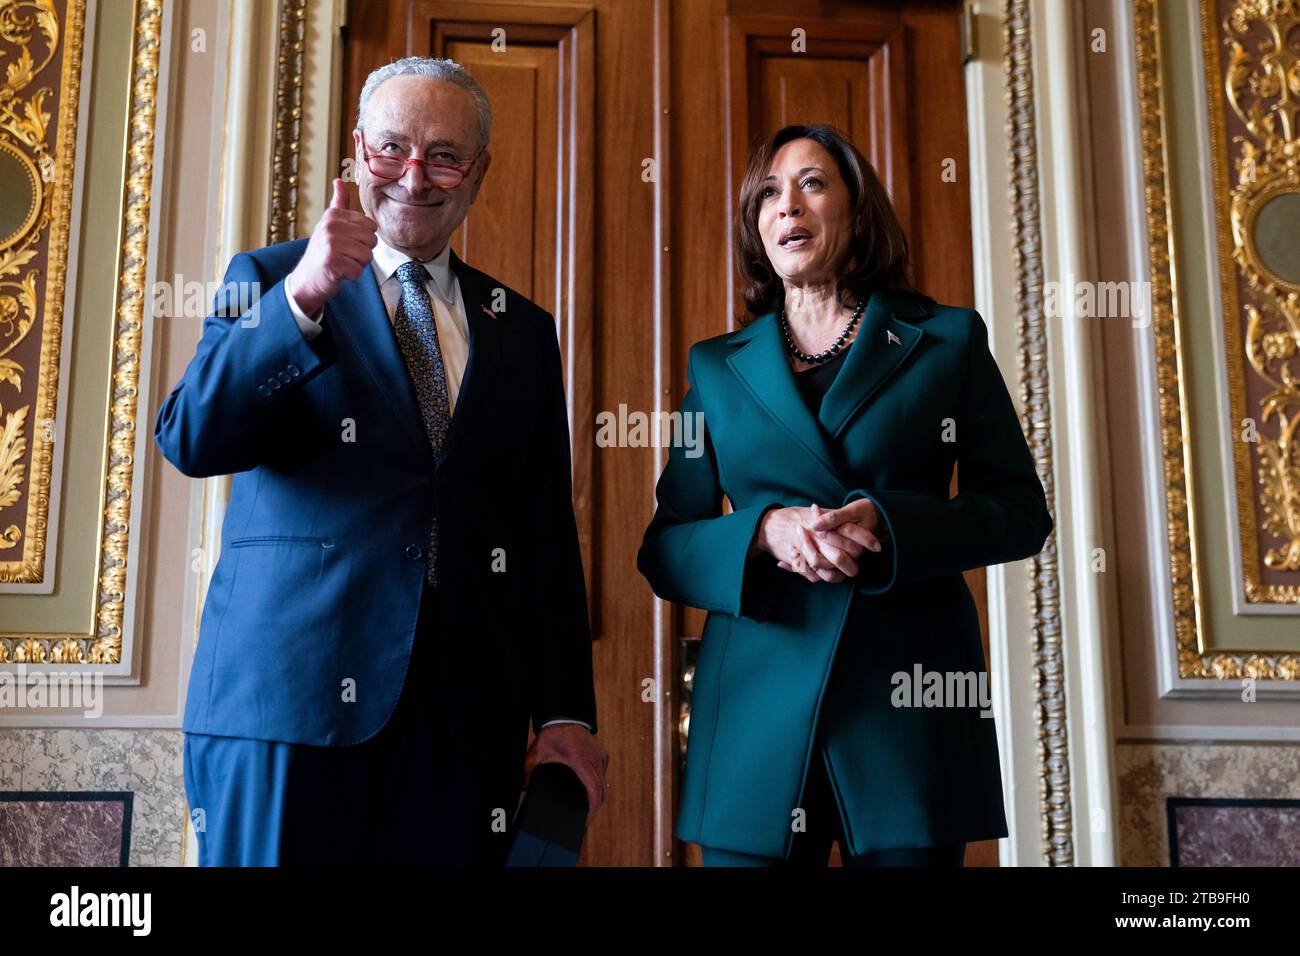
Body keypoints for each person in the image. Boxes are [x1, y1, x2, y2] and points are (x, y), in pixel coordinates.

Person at [156, 56, 606, 866]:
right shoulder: (267, 278)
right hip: (288, 709)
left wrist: (566, 711)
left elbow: (544, 533)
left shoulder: (523, 330)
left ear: (478, 172)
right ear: (357, 152)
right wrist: (303, 299)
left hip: (463, 728)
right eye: (391, 149)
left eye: (444, 154)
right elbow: (191, 437)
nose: (414, 175)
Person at [637, 124, 1053, 866]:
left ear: (857, 212)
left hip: (908, 708)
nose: (785, 205)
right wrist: (764, 533)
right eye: (767, 193)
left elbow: (1019, 514)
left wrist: (893, 525)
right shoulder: (716, 368)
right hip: (756, 722)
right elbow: (667, 546)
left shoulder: (947, 341)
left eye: (811, 184)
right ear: (756, 226)